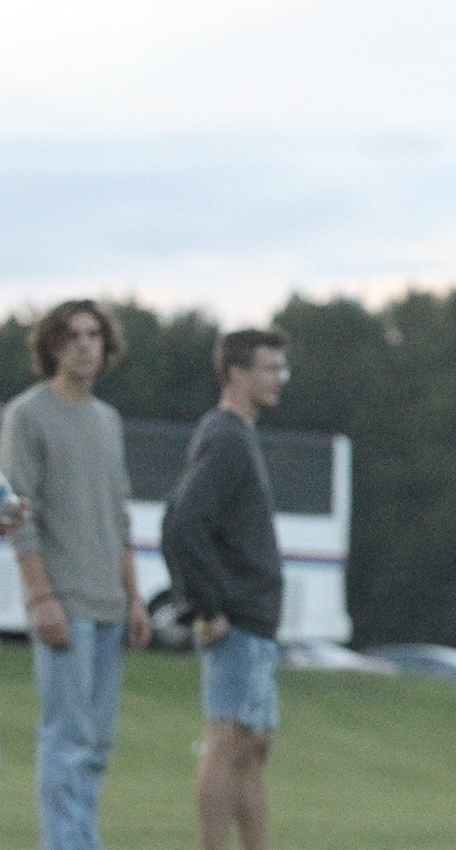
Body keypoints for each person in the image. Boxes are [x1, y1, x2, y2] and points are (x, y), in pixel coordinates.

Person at [1, 299, 153, 850]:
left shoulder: (108, 420)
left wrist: (135, 599)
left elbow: (118, 517)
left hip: (110, 603)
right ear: (52, 346)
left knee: (97, 744)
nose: (85, 345)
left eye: (94, 335)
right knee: (66, 739)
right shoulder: (28, 415)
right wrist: (40, 597)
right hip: (63, 601)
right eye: (72, 336)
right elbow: (16, 514)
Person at [159, 328, 290, 850]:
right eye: (268, 367)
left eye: (283, 368)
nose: (279, 378)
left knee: (254, 745)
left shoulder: (241, 436)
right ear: (235, 373)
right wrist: (206, 606)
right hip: (233, 620)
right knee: (227, 741)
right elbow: (181, 523)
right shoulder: (227, 437)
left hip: (256, 619)